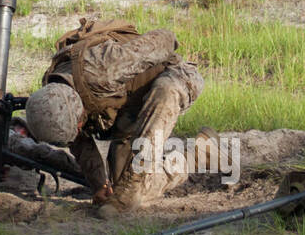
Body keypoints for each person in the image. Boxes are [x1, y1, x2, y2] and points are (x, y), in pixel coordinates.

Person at [23, 16, 204, 219]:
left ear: (78, 107)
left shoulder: (104, 67)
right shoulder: (53, 94)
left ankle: (133, 184)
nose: (80, 128)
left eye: (79, 124)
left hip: (177, 78)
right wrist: (99, 184)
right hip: (129, 112)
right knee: (119, 188)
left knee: (165, 91)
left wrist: (136, 59)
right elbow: (80, 143)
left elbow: (166, 39)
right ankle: (198, 155)